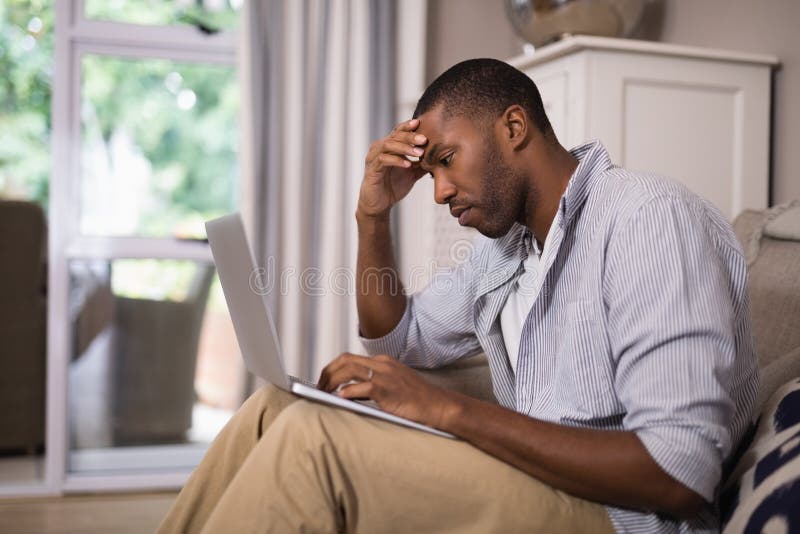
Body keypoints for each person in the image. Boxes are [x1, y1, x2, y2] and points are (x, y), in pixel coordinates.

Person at [158, 58, 757, 533]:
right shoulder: (508, 252)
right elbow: (395, 336)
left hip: (620, 519)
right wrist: (372, 215)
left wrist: (450, 411)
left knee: (313, 444)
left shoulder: (647, 219)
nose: (440, 191)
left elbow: (679, 470)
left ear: (514, 127)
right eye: (430, 175)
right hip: (534, 482)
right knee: (276, 412)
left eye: (446, 161)